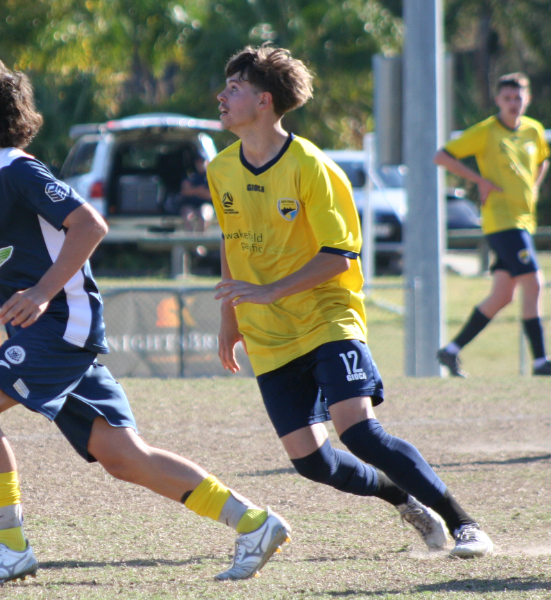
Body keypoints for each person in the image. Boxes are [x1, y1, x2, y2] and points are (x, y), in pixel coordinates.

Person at [0, 56, 290, 585]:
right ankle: (253, 522)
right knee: (124, 457)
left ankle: (10, 545)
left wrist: (44, 292)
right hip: (44, 329)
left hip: (64, 322)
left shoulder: (17, 169)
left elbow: (90, 224)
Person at [210, 44, 493, 559]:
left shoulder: (312, 166)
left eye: (234, 88)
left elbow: (339, 256)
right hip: (269, 334)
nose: (221, 96)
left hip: (326, 317)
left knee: (359, 430)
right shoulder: (221, 169)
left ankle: (465, 524)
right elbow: (232, 243)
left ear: (265, 101)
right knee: (311, 463)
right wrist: (230, 318)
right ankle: (401, 498)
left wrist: (270, 290)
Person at [434, 73, 550, 377]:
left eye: (518, 97)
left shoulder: (533, 130)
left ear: (527, 99)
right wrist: (480, 181)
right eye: (507, 98)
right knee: (534, 282)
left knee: (502, 296)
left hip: (524, 220)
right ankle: (540, 362)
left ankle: (450, 351)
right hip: (502, 222)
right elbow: (442, 156)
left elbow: (542, 160)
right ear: (498, 100)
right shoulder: (486, 132)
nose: (513, 103)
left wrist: (533, 187)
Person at [178, 155, 214, 232]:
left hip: (205, 204)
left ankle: (201, 239)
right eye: (198, 162)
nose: (200, 164)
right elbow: (184, 192)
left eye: (202, 161)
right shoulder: (190, 175)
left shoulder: (211, 176)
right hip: (190, 205)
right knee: (187, 216)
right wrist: (199, 190)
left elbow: (210, 195)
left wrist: (193, 190)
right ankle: (190, 240)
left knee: (204, 216)